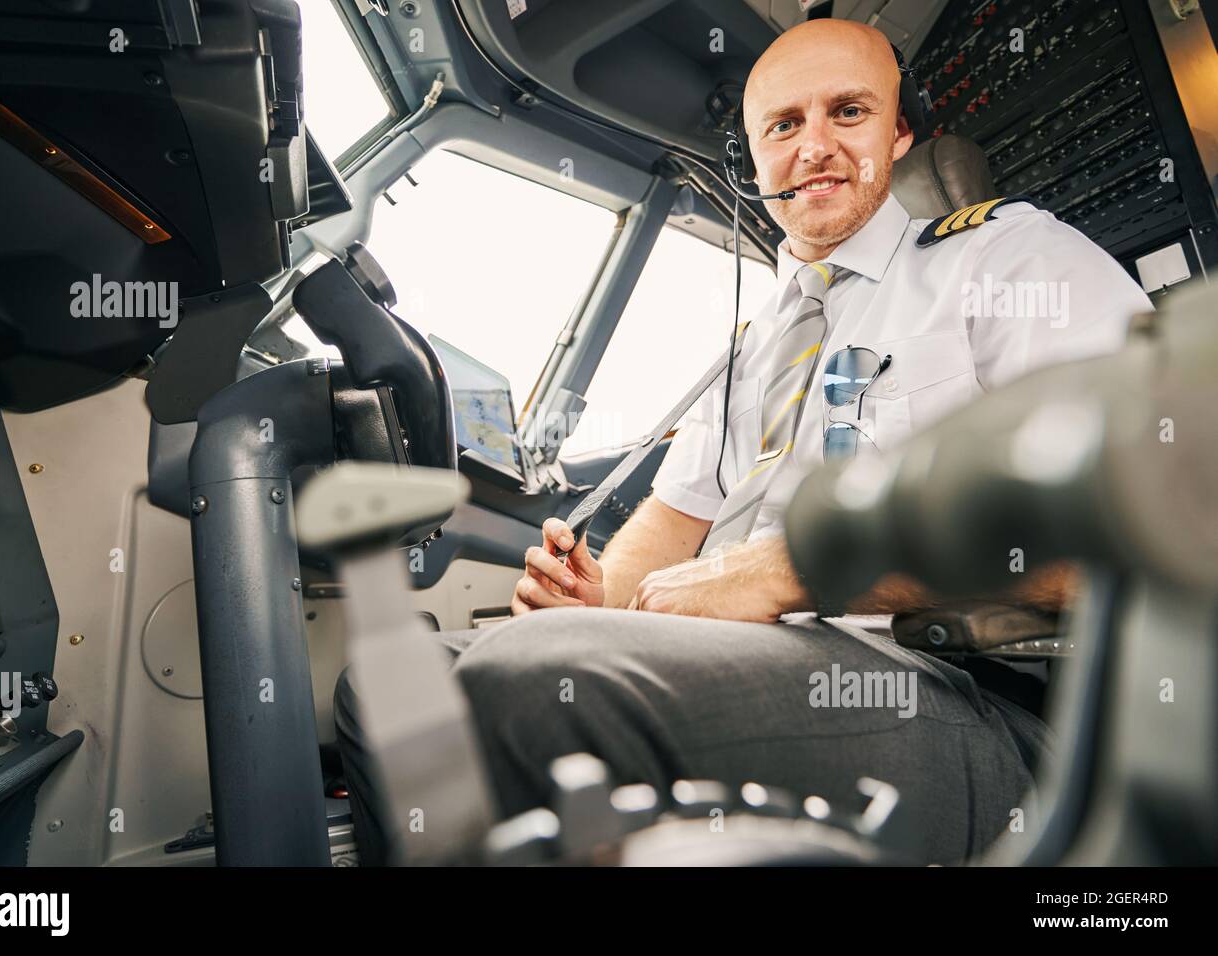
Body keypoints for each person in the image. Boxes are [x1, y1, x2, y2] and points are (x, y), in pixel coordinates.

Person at [335, 17, 1153, 865]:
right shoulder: (751, 345)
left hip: (947, 687)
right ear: (754, 160)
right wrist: (596, 599)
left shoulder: (1009, 261)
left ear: (900, 130)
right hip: (752, 661)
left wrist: (790, 569)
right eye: (784, 125)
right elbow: (673, 526)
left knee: (523, 687)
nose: (816, 147)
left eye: (848, 112)